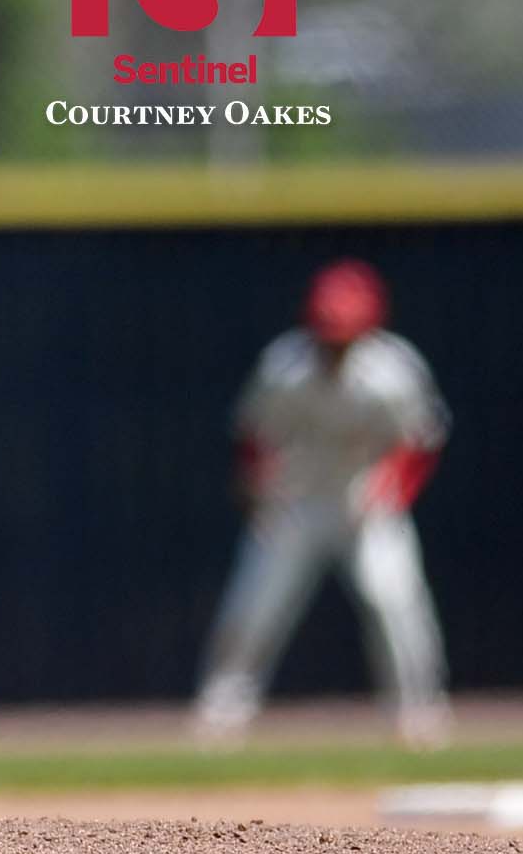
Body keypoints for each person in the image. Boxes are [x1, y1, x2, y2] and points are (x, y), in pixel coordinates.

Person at [191, 259, 454, 750]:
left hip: (364, 501)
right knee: (256, 607)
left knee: (394, 600)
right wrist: (254, 482)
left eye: (344, 331)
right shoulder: (284, 367)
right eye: (328, 329)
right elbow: (251, 435)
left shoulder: (392, 374)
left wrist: (393, 486)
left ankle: (417, 712)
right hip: (295, 500)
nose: (333, 341)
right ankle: (223, 711)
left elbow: (422, 440)